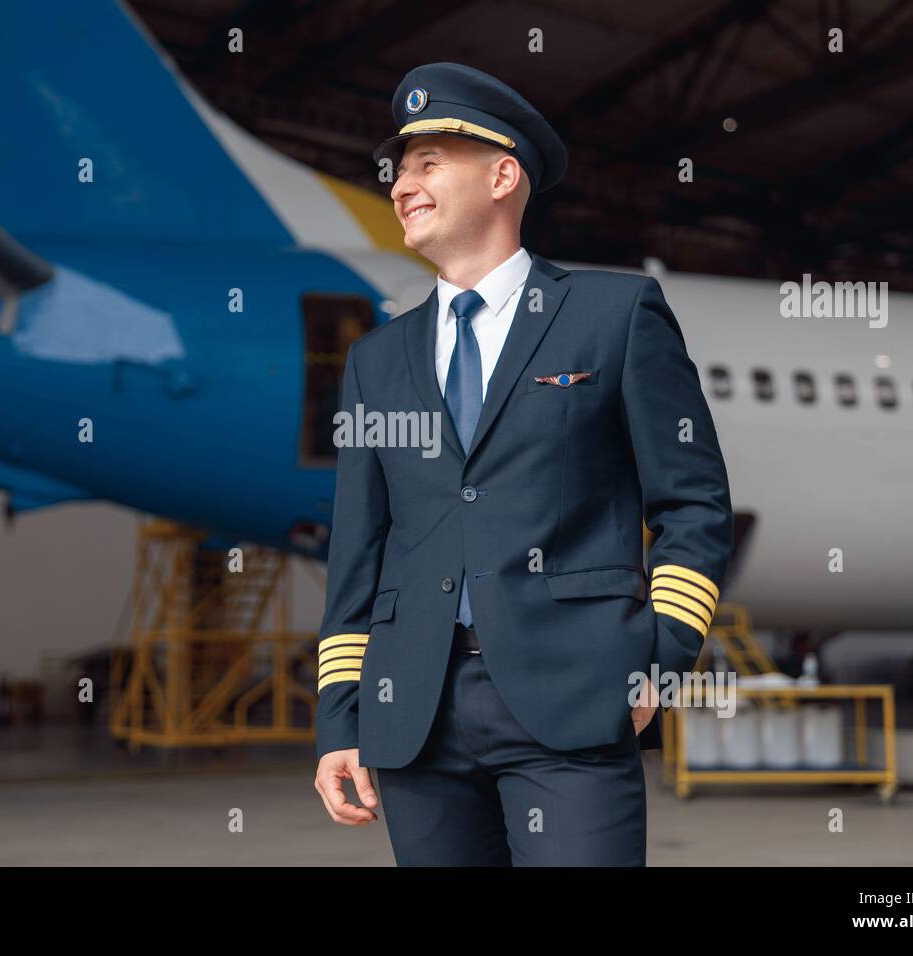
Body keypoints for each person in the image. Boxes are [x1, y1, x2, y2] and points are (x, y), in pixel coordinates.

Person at [312, 62, 734, 866]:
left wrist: (661, 661)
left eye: (428, 163)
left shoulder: (613, 316)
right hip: (415, 716)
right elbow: (358, 554)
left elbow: (694, 504)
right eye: (399, 168)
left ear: (504, 176)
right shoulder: (376, 360)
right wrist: (340, 719)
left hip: (575, 698)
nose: (402, 184)